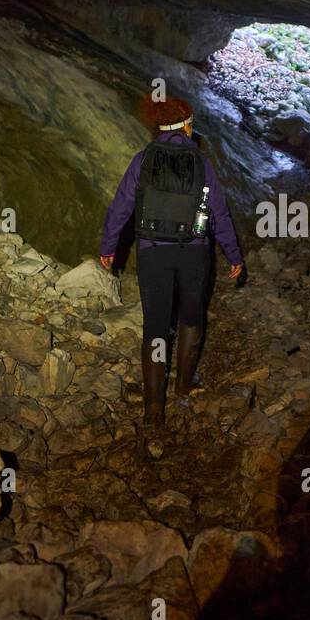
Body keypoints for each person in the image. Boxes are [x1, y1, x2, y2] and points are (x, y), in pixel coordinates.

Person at [99, 95, 243, 428]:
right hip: (194, 252)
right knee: (191, 317)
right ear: (186, 126)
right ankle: (184, 384)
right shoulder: (201, 162)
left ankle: (153, 407)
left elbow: (120, 206)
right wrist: (232, 254)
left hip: (152, 253)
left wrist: (109, 245)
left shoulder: (143, 159)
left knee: (156, 325)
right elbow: (219, 213)